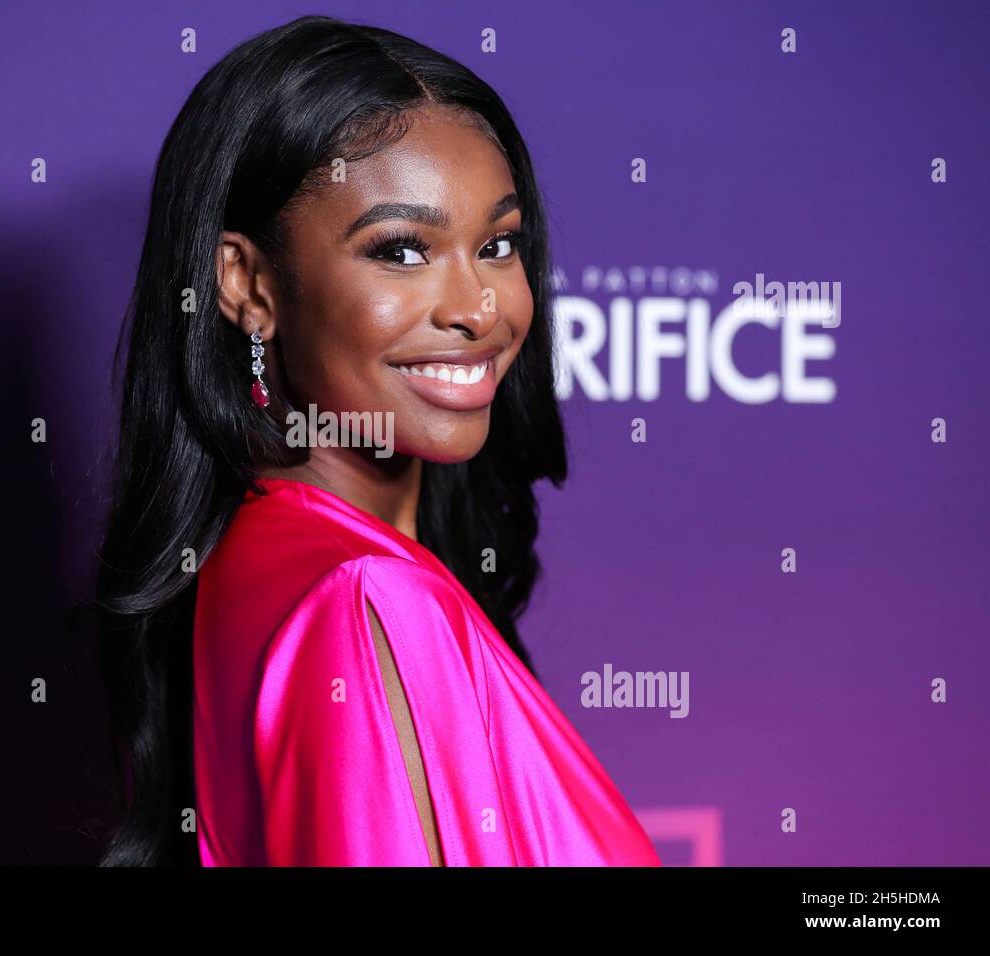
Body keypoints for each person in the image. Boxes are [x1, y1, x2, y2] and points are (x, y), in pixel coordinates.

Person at [92, 14, 661, 867]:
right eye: (401, 251)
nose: (478, 308)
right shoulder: (366, 599)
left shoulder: (253, 560)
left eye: (498, 244)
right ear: (247, 284)